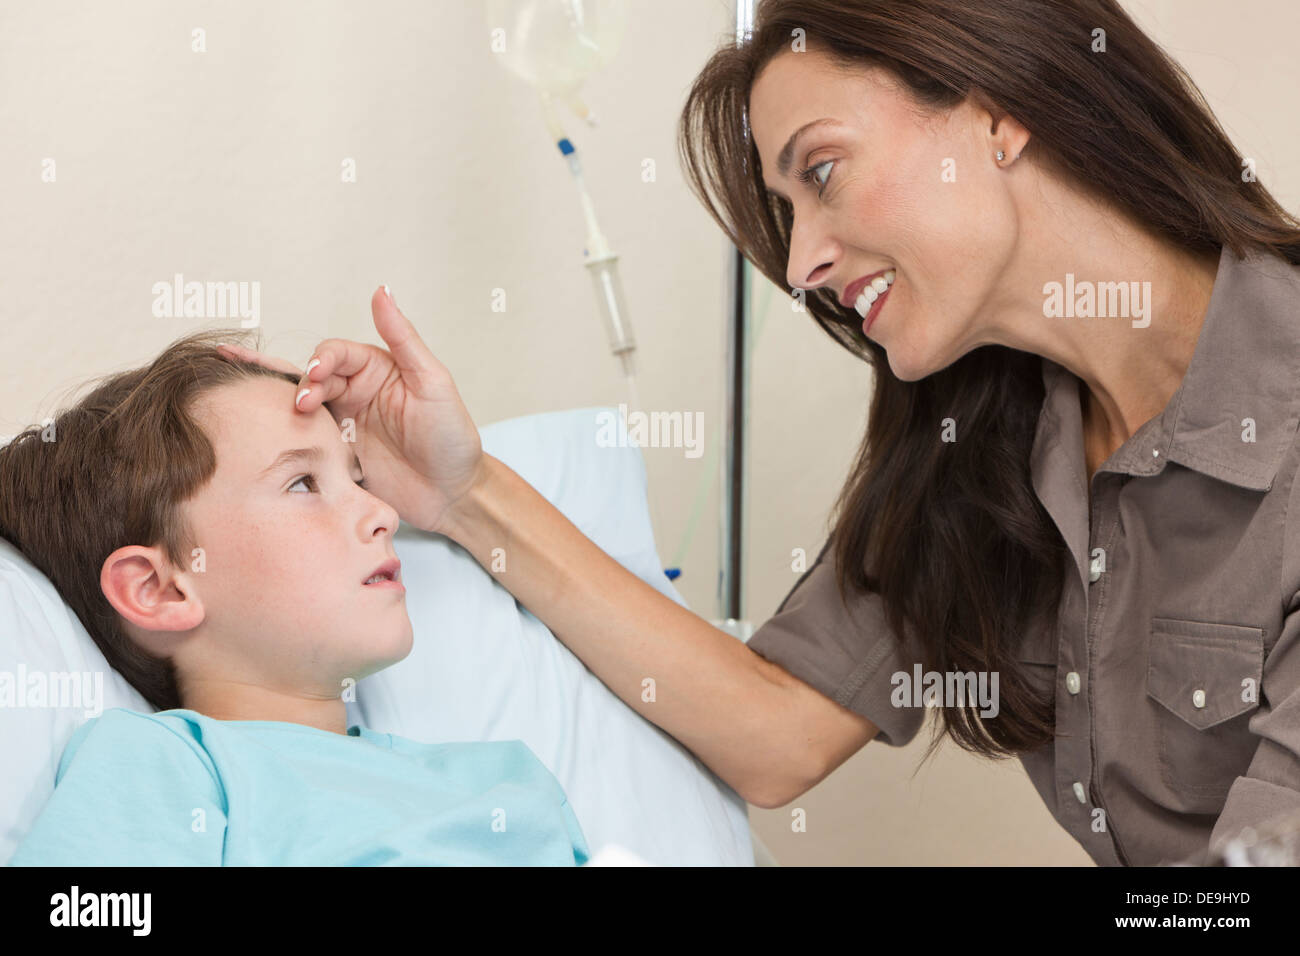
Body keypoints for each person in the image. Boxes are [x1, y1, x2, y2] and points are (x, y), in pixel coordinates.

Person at [166, 0, 1300, 866]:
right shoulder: (987, 439)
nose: (801, 262)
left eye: (820, 172)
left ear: (995, 113)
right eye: (787, 212)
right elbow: (773, 732)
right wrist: (465, 496)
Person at [0, 331, 589, 866]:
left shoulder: (508, 783)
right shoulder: (168, 767)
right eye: (302, 483)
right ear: (160, 589)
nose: (383, 513)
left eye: (357, 479)